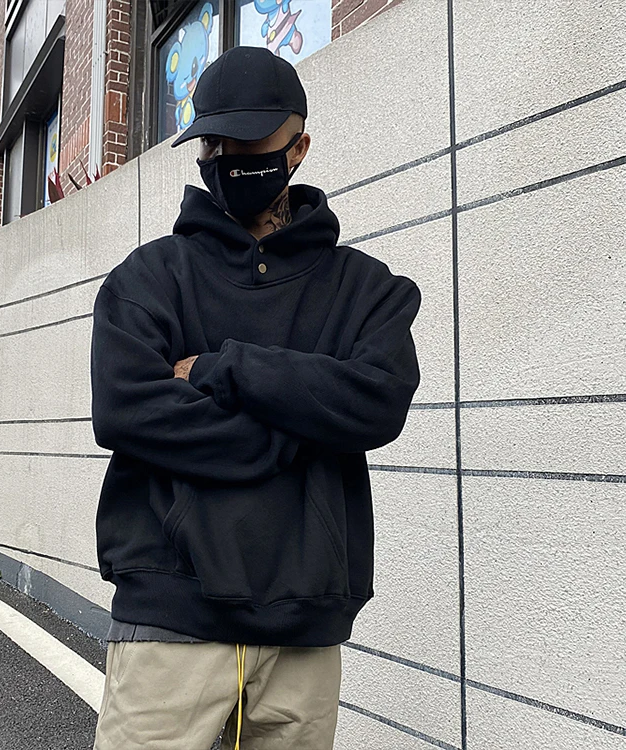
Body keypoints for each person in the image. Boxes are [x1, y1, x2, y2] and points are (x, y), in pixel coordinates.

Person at [90, 45, 421, 750]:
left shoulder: (366, 289)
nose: (226, 157)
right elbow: (125, 409)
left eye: (248, 140)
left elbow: (378, 402)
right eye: (214, 141)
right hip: (172, 615)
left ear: (299, 147)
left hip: (306, 622)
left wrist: (223, 368)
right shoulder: (149, 279)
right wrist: (301, 422)